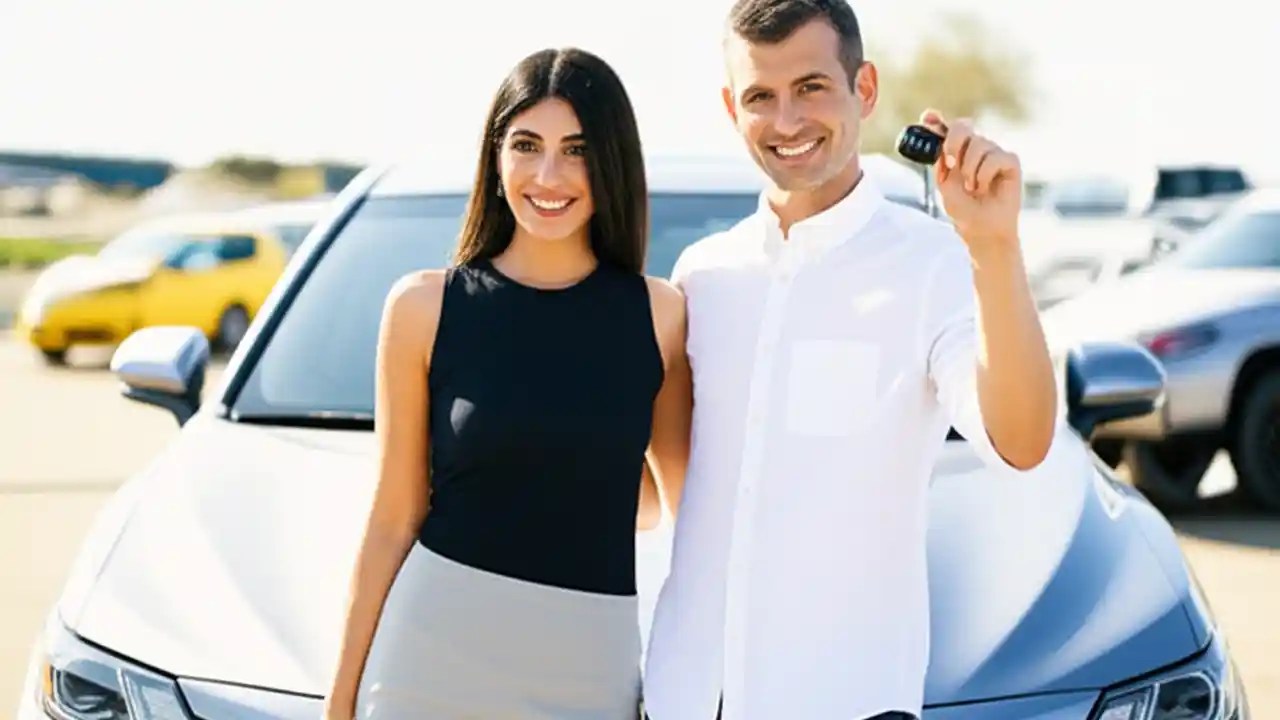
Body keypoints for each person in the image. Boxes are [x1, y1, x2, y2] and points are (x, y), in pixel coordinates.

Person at [641, 1, 1060, 719]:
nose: (786, 121)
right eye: (760, 97)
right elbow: (689, 498)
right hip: (682, 695)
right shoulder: (701, 274)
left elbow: (1021, 441)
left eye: (811, 87)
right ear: (729, 108)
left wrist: (995, 246)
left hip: (848, 703)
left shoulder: (938, 264)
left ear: (863, 90)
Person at [321, 46, 691, 720]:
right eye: (527, 144)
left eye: (576, 149)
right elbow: (392, 517)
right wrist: (339, 701)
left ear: (611, 162)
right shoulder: (423, 308)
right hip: (428, 658)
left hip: (590, 667)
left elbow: (690, 510)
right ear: (496, 158)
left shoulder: (660, 316)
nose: (548, 174)